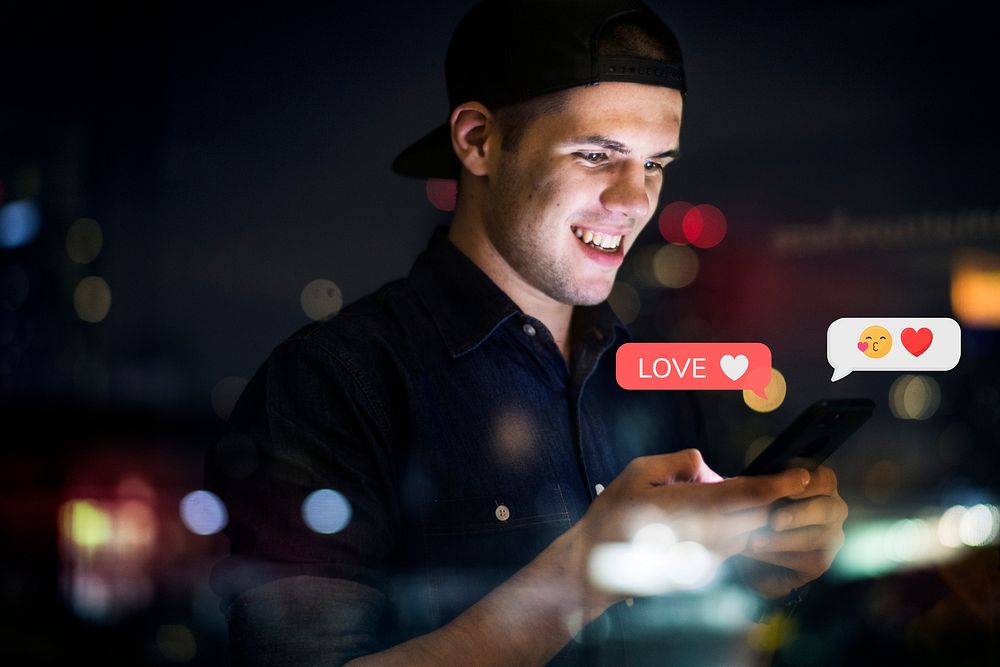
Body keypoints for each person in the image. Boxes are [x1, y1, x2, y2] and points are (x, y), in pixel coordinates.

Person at [206, 1, 848, 664]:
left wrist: (758, 572)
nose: (635, 201)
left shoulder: (656, 383)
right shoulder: (334, 383)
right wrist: (590, 570)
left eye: (655, 164)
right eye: (596, 155)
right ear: (478, 141)